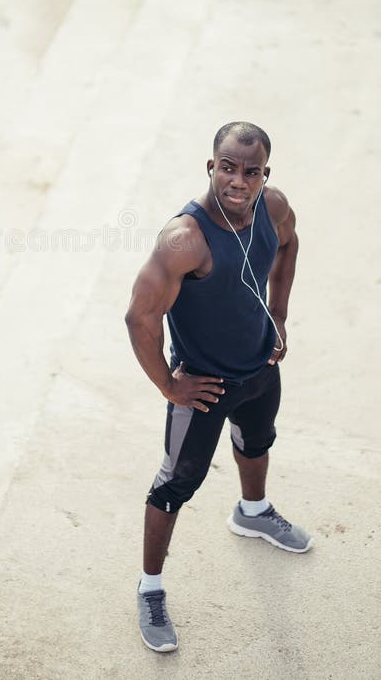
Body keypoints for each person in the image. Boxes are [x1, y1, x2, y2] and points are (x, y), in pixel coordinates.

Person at [124, 121, 312, 653]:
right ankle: (150, 587)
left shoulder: (273, 208)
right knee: (173, 485)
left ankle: (252, 513)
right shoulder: (185, 239)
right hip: (203, 385)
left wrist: (278, 314)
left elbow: (289, 244)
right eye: (227, 168)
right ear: (212, 167)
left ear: (264, 174)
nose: (238, 180)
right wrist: (169, 385)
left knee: (258, 440)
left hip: (259, 367)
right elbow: (140, 318)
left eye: (250, 171)